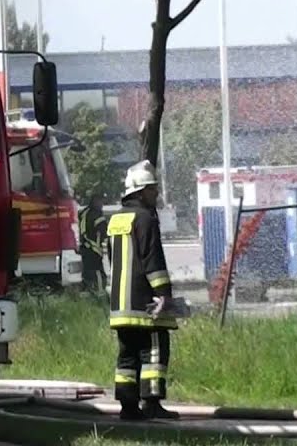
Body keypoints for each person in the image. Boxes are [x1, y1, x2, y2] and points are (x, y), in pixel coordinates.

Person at [108, 160, 179, 421]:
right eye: (152, 189)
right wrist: (164, 294)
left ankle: (128, 407)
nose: (156, 193)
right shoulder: (146, 219)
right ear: (139, 191)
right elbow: (152, 261)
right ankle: (151, 403)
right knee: (154, 350)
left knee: (127, 357)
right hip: (145, 304)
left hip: (120, 305)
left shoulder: (116, 219)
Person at [78, 193, 109, 291]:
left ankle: (87, 292)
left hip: (83, 247)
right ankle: (100, 292)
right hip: (94, 248)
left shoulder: (83, 212)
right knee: (98, 271)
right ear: (95, 201)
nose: (102, 204)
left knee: (87, 271)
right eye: (101, 202)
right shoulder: (97, 214)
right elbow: (104, 230)